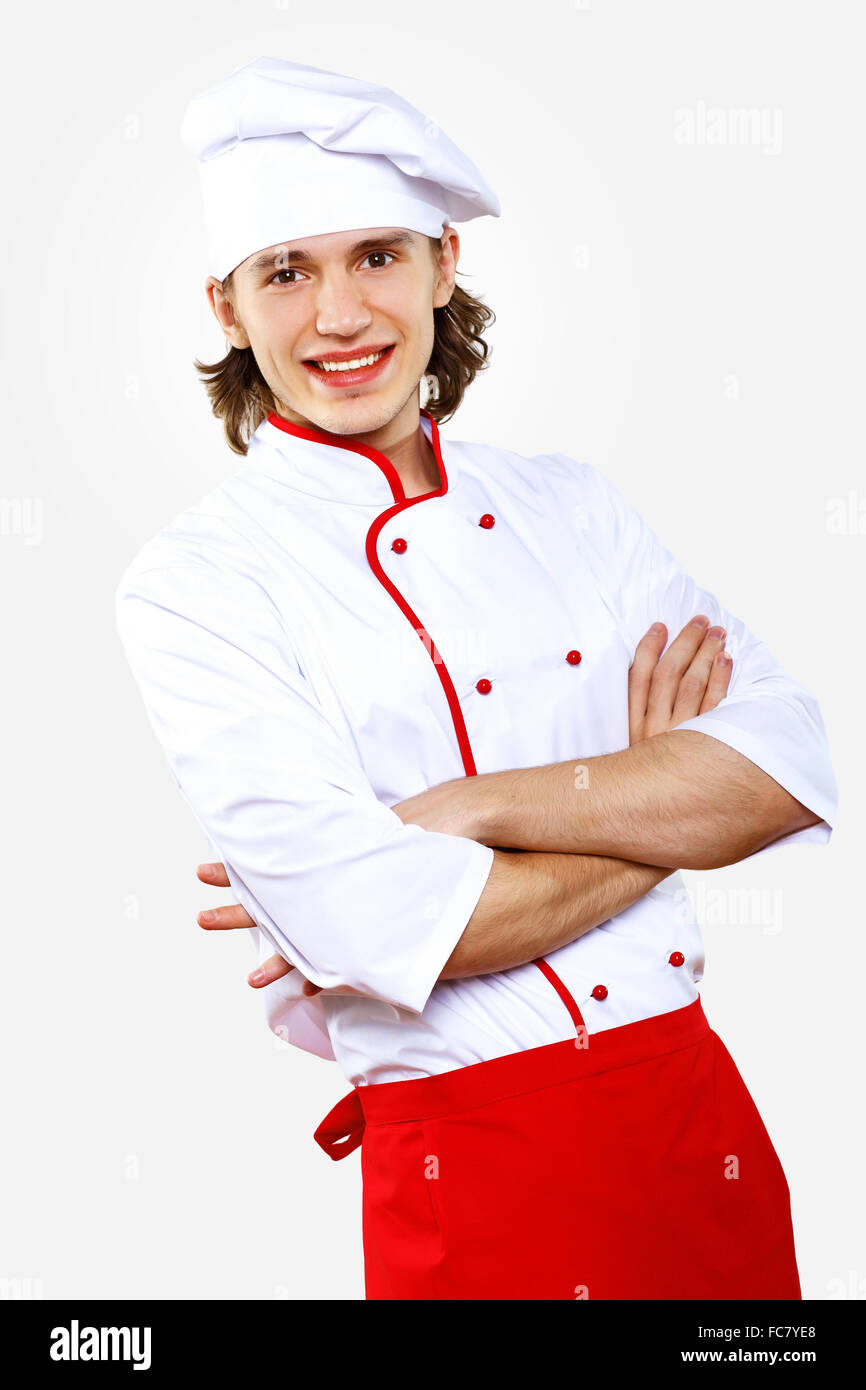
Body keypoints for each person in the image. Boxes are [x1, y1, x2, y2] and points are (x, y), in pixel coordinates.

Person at [115, 56, 837, 1300]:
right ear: (228, 306)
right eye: (286, 271)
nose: (340, 316)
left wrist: (466, 810)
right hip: (469, 1170)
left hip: (695, 1124)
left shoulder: (571, 504)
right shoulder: (196, 583)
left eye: (377, 257)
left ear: (445, 265)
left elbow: (783, 765)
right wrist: (666, 812)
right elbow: (375, 928)